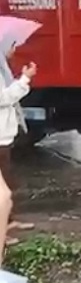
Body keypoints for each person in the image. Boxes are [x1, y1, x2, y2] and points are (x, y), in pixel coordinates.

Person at [0, 39, 35, 231]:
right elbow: (3, 98)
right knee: (2, 188)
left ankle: (8, 221)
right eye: (12, 45)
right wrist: (24, 79)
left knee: (5, 183)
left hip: (3, 136)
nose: (14, 49)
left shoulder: (2, 68)